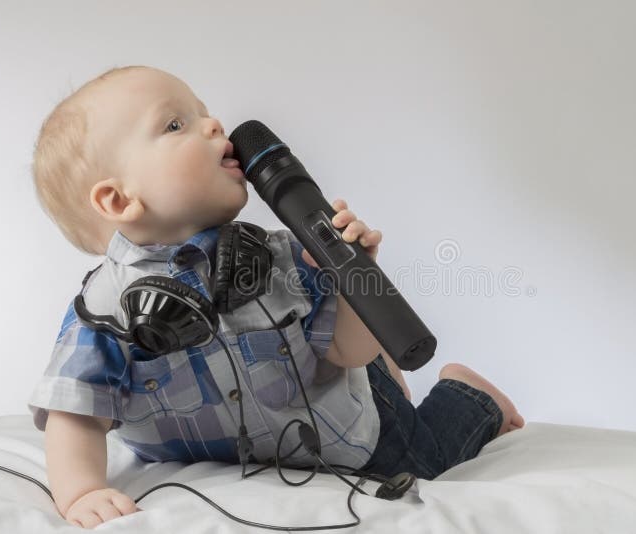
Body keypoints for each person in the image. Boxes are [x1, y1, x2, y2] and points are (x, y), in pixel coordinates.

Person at [27, 65, 525, 529]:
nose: (214, 125)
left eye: (203, 112)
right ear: (118, 199)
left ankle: (470, 394)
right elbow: (76, 412)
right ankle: (387, 377)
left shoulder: (283, 258)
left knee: (422, 462)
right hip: (232, 441)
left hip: (341, 422)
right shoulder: (104, 311)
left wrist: (354, 275)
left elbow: (348, 351)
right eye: (175, 124)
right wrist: (82, 492)